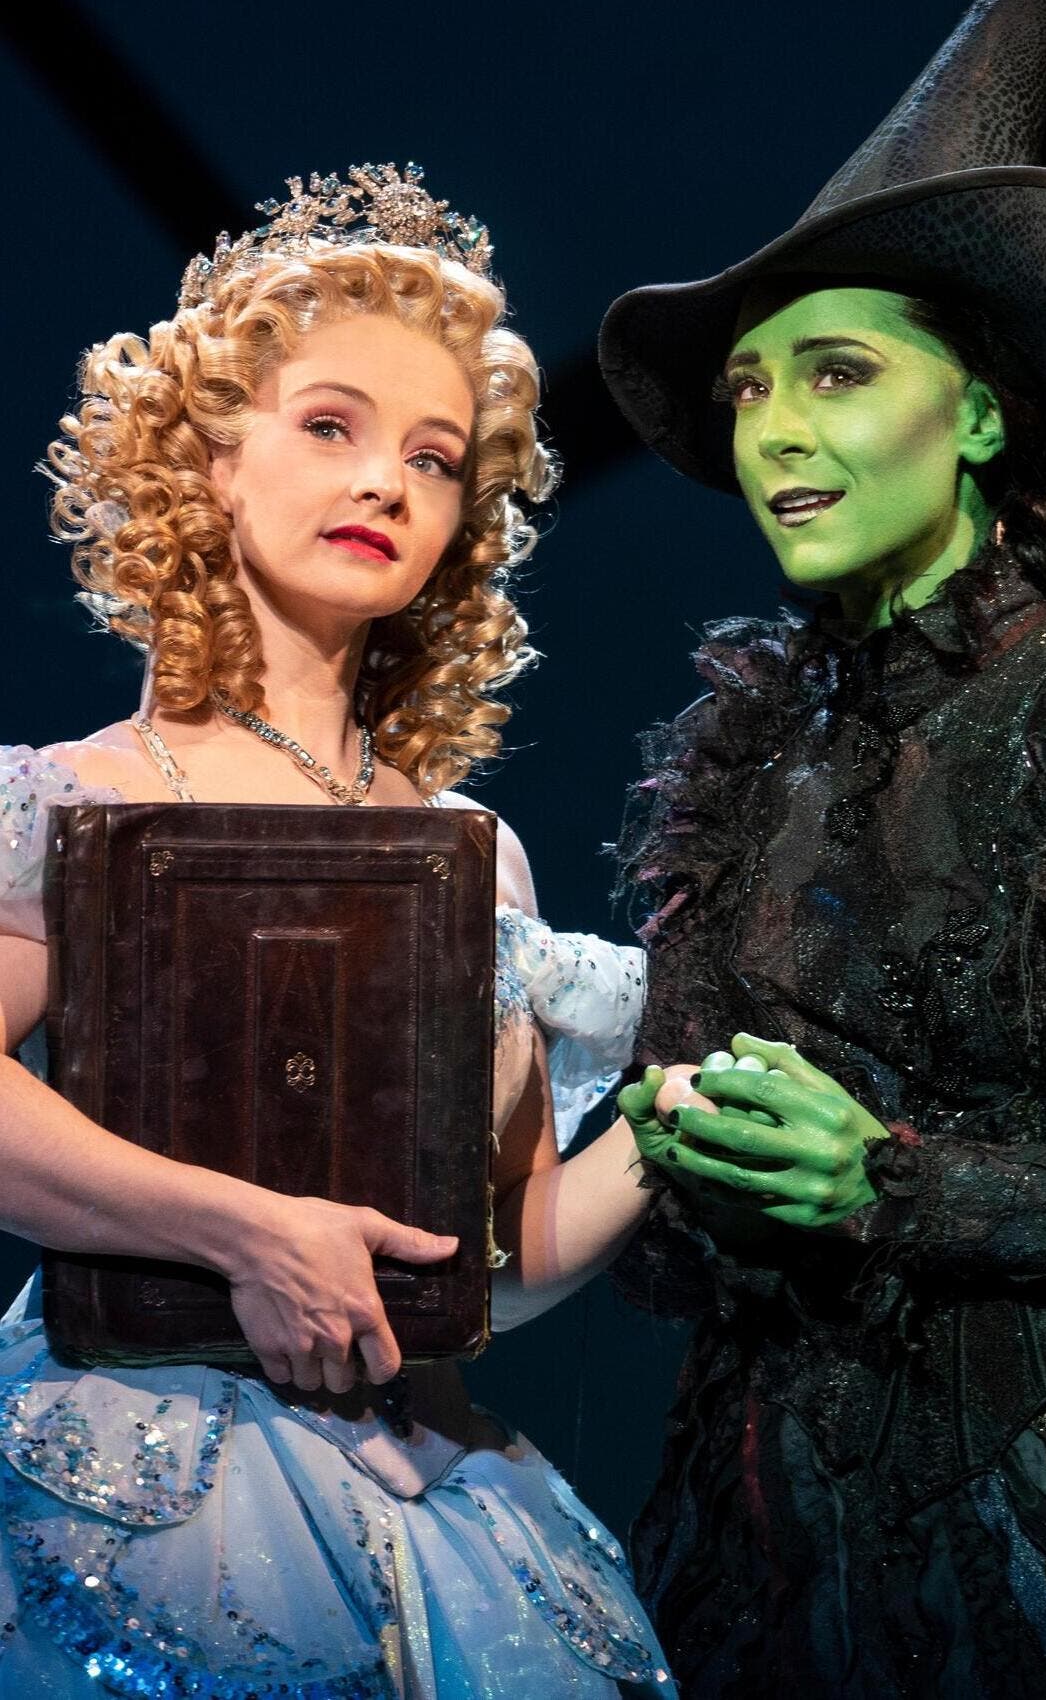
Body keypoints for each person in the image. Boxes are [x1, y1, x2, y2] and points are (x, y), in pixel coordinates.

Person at [0, 163, 672, 1696]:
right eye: (331, 426)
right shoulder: (69, 798)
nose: (386, 483)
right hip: (128, 1481)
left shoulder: (475, 857)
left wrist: (668, 1131)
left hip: (430, 1496)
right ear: (210, 458)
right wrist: (247, 1233)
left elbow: (480, 1261)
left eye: (434, 459)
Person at [597, 0, 1046, 1697]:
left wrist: (892, 1181)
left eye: (839, 373)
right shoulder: (752, 751)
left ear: (983, 418)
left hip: (1042, 1552)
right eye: (749, 387)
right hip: (751, 1550)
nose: (774, 433)